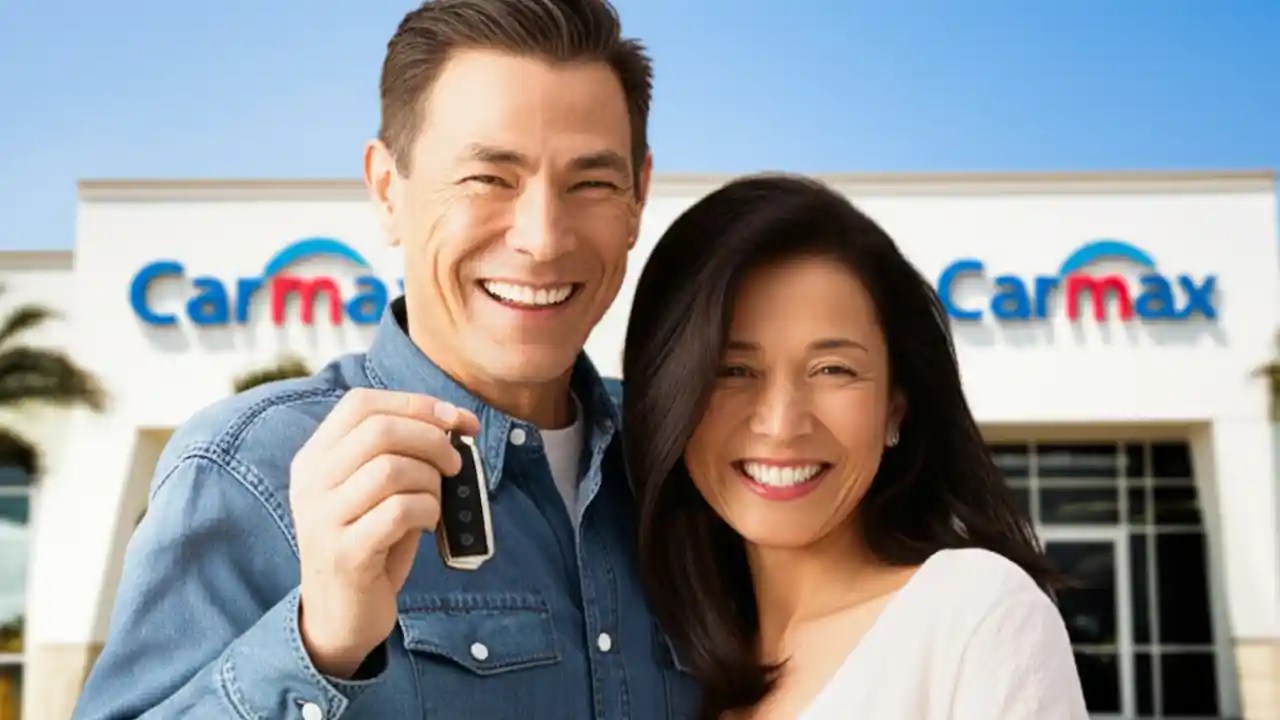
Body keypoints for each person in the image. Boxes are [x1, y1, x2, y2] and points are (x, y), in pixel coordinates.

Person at [73, 1, 701, 718]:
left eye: (591, 183)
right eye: (489, 179)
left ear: (638, 197)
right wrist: (319, 644)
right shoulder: (247, 472)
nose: (542, 238)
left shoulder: (686, 460)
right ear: (386, 190)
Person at [621, 174, 1090, 720]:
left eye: (832, 369)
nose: (780, 423)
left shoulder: (974, 616)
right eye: (733, 370)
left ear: (896, 402)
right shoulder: (668, 671)